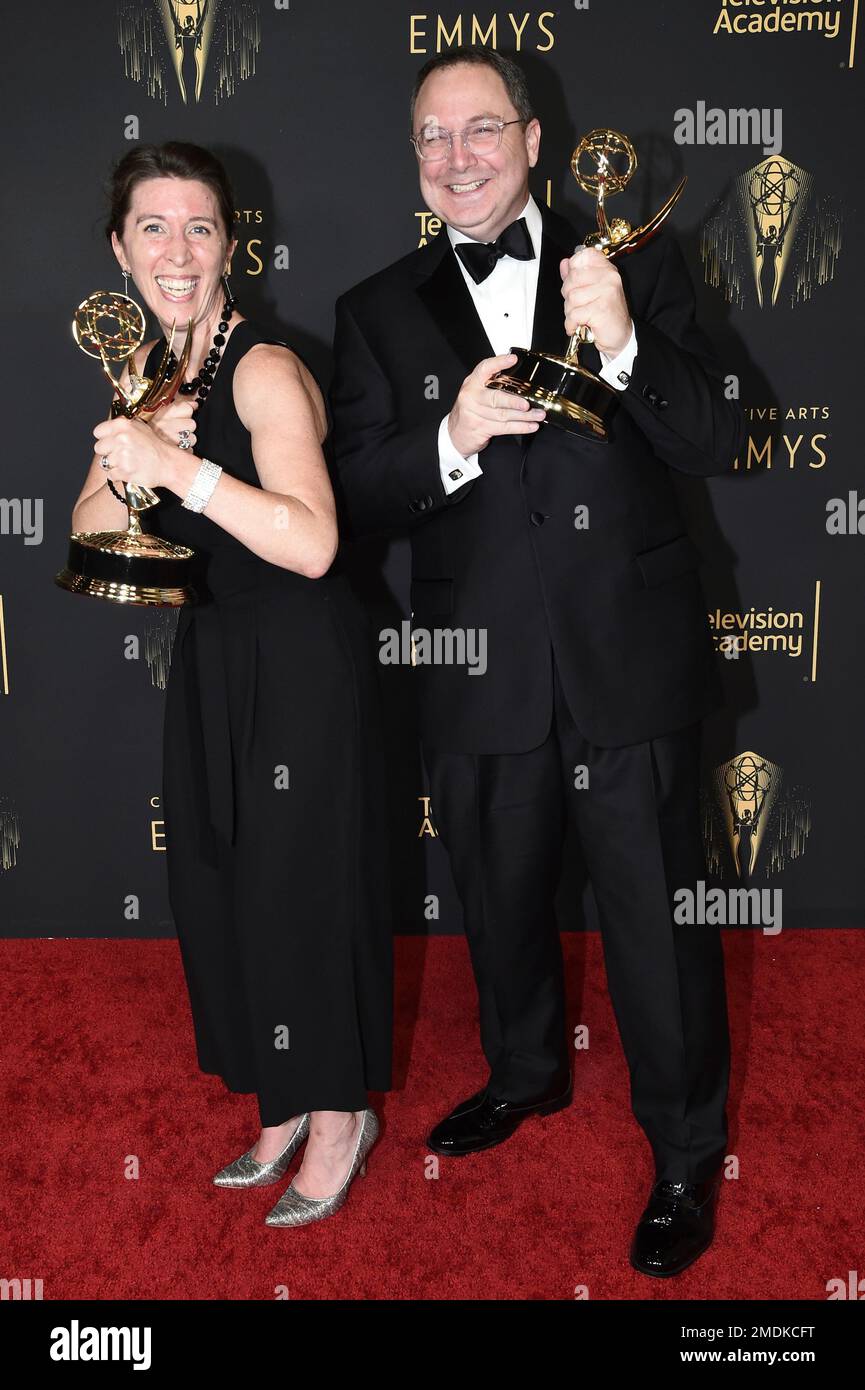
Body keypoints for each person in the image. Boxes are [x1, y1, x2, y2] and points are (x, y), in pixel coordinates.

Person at [329, 48, 745, 1276]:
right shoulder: (374, 309)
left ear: (531, 139)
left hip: (629, 656)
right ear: (414, 159)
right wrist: (446, 438)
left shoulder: (634, 260)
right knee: (497, 900)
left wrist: (621, 347)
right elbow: (351, 495)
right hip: (475, 665)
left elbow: (718, 431)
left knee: (656, 923)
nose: (456, 158)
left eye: (480, 131)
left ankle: (681, 1151)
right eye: (431, 139)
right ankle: (523, 1074)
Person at [69, 141, 392, 1227]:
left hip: (301, 656)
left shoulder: (261, 368)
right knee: (222, 892)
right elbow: (84, 535)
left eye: (198, 227)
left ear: (227, 247)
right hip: (212, 656)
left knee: (301, 894)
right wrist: (135, 454)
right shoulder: (151, 376)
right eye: (152, 226)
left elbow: (311, 543)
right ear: (120, 249)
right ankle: (283, 1096)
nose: (176, 248)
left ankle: (339, 1112)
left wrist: (187, 475)